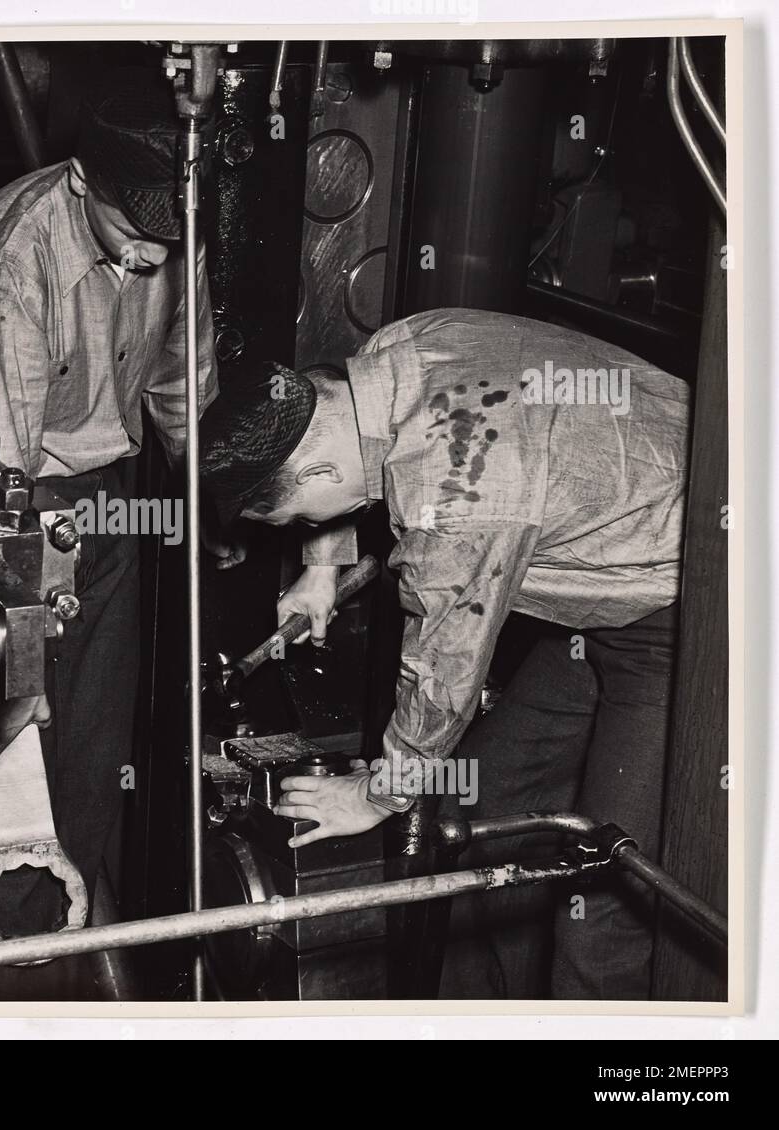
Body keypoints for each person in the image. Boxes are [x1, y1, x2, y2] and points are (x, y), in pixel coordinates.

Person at [199, 307, 687, 999]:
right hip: (612, 596)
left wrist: (375, 794)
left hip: (694, 606)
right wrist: (323, 563)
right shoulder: (398, 349)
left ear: (316, 470)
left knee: (608, 893)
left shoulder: (452, 495)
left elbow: (443, 673)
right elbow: (332, 431)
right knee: (482, 804)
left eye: (303, 517)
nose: (311, 525)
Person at [0, 68, 216, 944]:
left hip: (108, 502)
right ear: (83, 182)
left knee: (91, 758)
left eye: (171, 241)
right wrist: (22, 634)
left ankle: (84, 958)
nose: (152, 261)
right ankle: (1, 976)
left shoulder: (169, 229)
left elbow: (178, 391)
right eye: (135, 237)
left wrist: (220, 506)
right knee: (6, 758)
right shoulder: (4, 264)